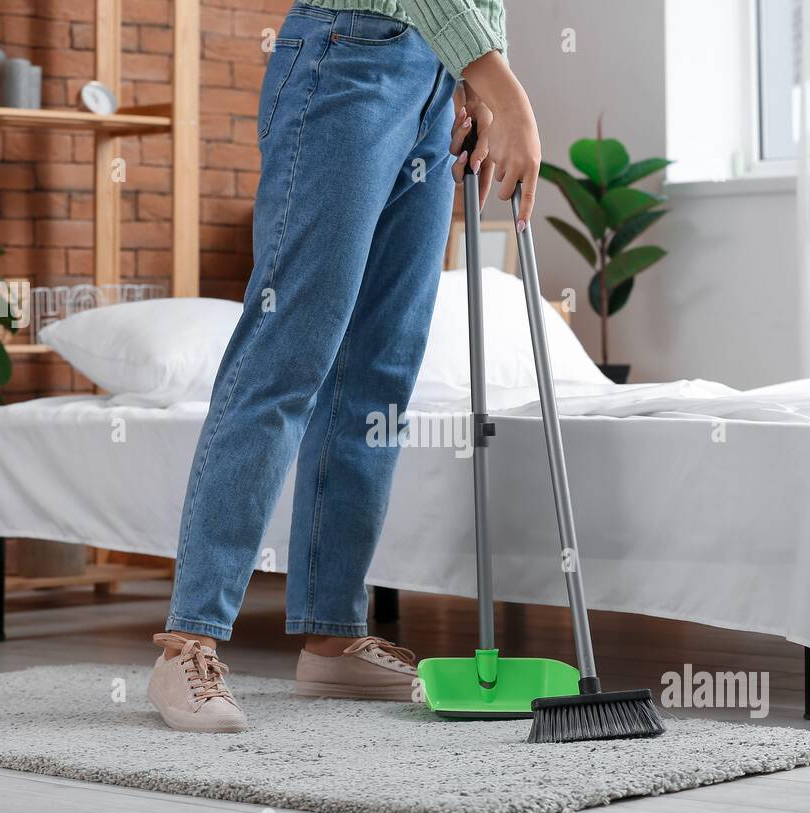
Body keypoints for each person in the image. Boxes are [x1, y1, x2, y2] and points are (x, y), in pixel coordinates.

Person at [149, 0, 541, 732]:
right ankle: (186, 643)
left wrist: (471, 81)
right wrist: (505, 84)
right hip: (347, 58)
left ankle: (331, 636)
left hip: (436, 82)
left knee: (380, 370)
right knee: (286, 353)